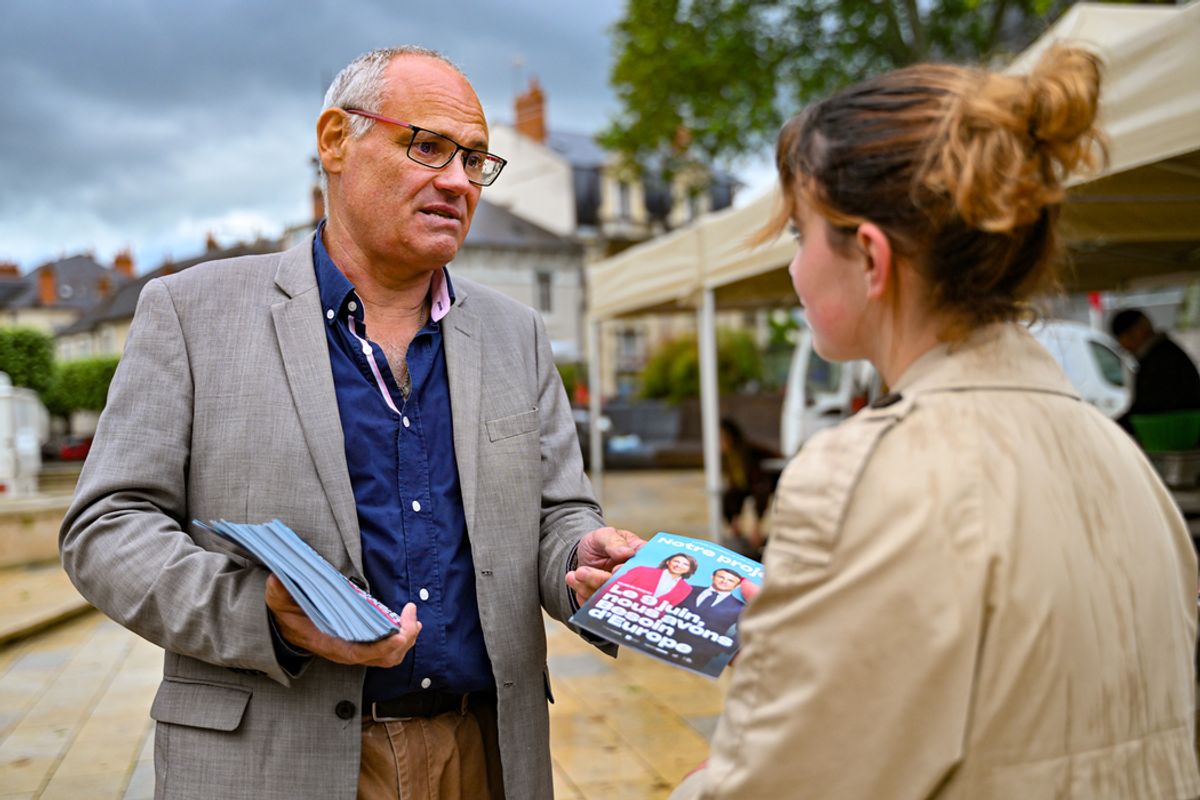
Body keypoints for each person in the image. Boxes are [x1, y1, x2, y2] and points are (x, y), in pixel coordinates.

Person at [59, 46, 643, 800]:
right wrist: (261, 616)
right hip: (271, 764)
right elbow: (106, 527)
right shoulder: (191, 313)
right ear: (336, 140)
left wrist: (585, 564)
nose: (458, 182)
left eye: (474, 160)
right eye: (428, 146)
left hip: (485, 755)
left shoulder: (516, 335)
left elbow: (557, 516)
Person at [672, 45, 1200, 799]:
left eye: (800, 234)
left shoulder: (858, 475)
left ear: (872, 261)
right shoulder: (1124, 461)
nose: (793, 267)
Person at [1110, 307, 1200, 430]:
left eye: (1122, 341)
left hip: (1174, 433)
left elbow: (1148, 407)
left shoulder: (1161, 358)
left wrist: (1114, 427)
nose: (1124, 347)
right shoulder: (1165, 352)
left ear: (1136, 332)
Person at [718, 418, 778, 559]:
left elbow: (760, 489)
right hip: (758, 490)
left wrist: (757, 526)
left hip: (773, 486)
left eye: (721, 437)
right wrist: (733, 518)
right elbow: (735, 490)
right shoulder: (727, 457)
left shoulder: (748, 454)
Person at [672, 568, 747, 669]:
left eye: (730, 580)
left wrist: (722, 648)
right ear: (712, 577)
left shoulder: (740, 607)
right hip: (664, 640)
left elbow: (744, 630)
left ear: (737, 586)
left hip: (701, 654)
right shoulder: (689, 589)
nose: (724, 581)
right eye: (721, 577)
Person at [601, 552, 699, 608]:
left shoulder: (686, 588)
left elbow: (666, 609)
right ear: (668, 562)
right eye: (676, 561)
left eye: (685, 564)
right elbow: (611, 588)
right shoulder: (642, 570)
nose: (679, 565)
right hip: (616, 609)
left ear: (690, 569)